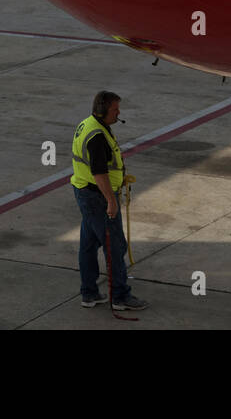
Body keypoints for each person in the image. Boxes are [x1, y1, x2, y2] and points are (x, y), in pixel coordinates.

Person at [71, 90, 148, 311]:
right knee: (114, 245)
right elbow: (99, 172)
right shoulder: (96, 136)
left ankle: (89, 293)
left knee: (88, 243)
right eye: (115, 109)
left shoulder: (88, 124)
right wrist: (111, 201)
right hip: (97, 197)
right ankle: (120, 296)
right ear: (103, 110)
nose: (119, 113)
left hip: (85, 192)